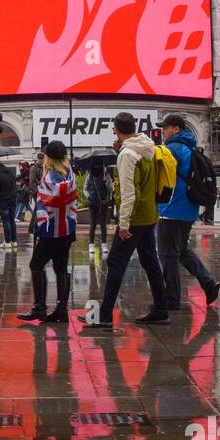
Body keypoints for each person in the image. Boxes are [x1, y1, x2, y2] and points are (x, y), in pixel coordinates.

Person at [79, 112, 168, 329]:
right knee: (150, 261)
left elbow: (129, 192)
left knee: (115, 262)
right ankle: (161, 308)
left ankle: (106, 314)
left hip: (135, 218)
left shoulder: (127, 154)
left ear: (116, 130)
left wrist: (124, 223)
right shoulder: (148, 146)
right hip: (149, 214)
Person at [157, 114, 220, 311]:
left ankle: (172, 299)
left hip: (171, 209)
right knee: (182, 250)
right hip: (187, 209)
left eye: (165, 128)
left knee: (167, 254)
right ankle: (208, 283)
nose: (162, 131)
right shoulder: (190, 148)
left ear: (176, 129)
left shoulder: (172, 149)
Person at [17, 141, 77, 323]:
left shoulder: (51, 177)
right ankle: (61, 309)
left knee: (36, 265)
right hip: (67, 228)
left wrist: (40, 225)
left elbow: (45, 203)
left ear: (48, 158)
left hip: (51, 230)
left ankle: (39, 307)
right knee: (61, 268)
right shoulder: (70, 174)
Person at [84, 161, 113, 255]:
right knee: (93, 224)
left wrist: (106, 183)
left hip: (103, 203)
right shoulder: (90, 176)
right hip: (93, 203)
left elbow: (110, 188)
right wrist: (89, 197)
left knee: (103, 224)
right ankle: (91, 244)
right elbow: (85, 188)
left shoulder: (106, 175)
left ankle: (104, 244)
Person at [0, 163, 18, 249]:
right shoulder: (11, 174)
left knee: (6, 222)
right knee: (12, 221)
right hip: (13, 200)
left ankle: (7, 242)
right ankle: (14, 241)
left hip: (3, 201)